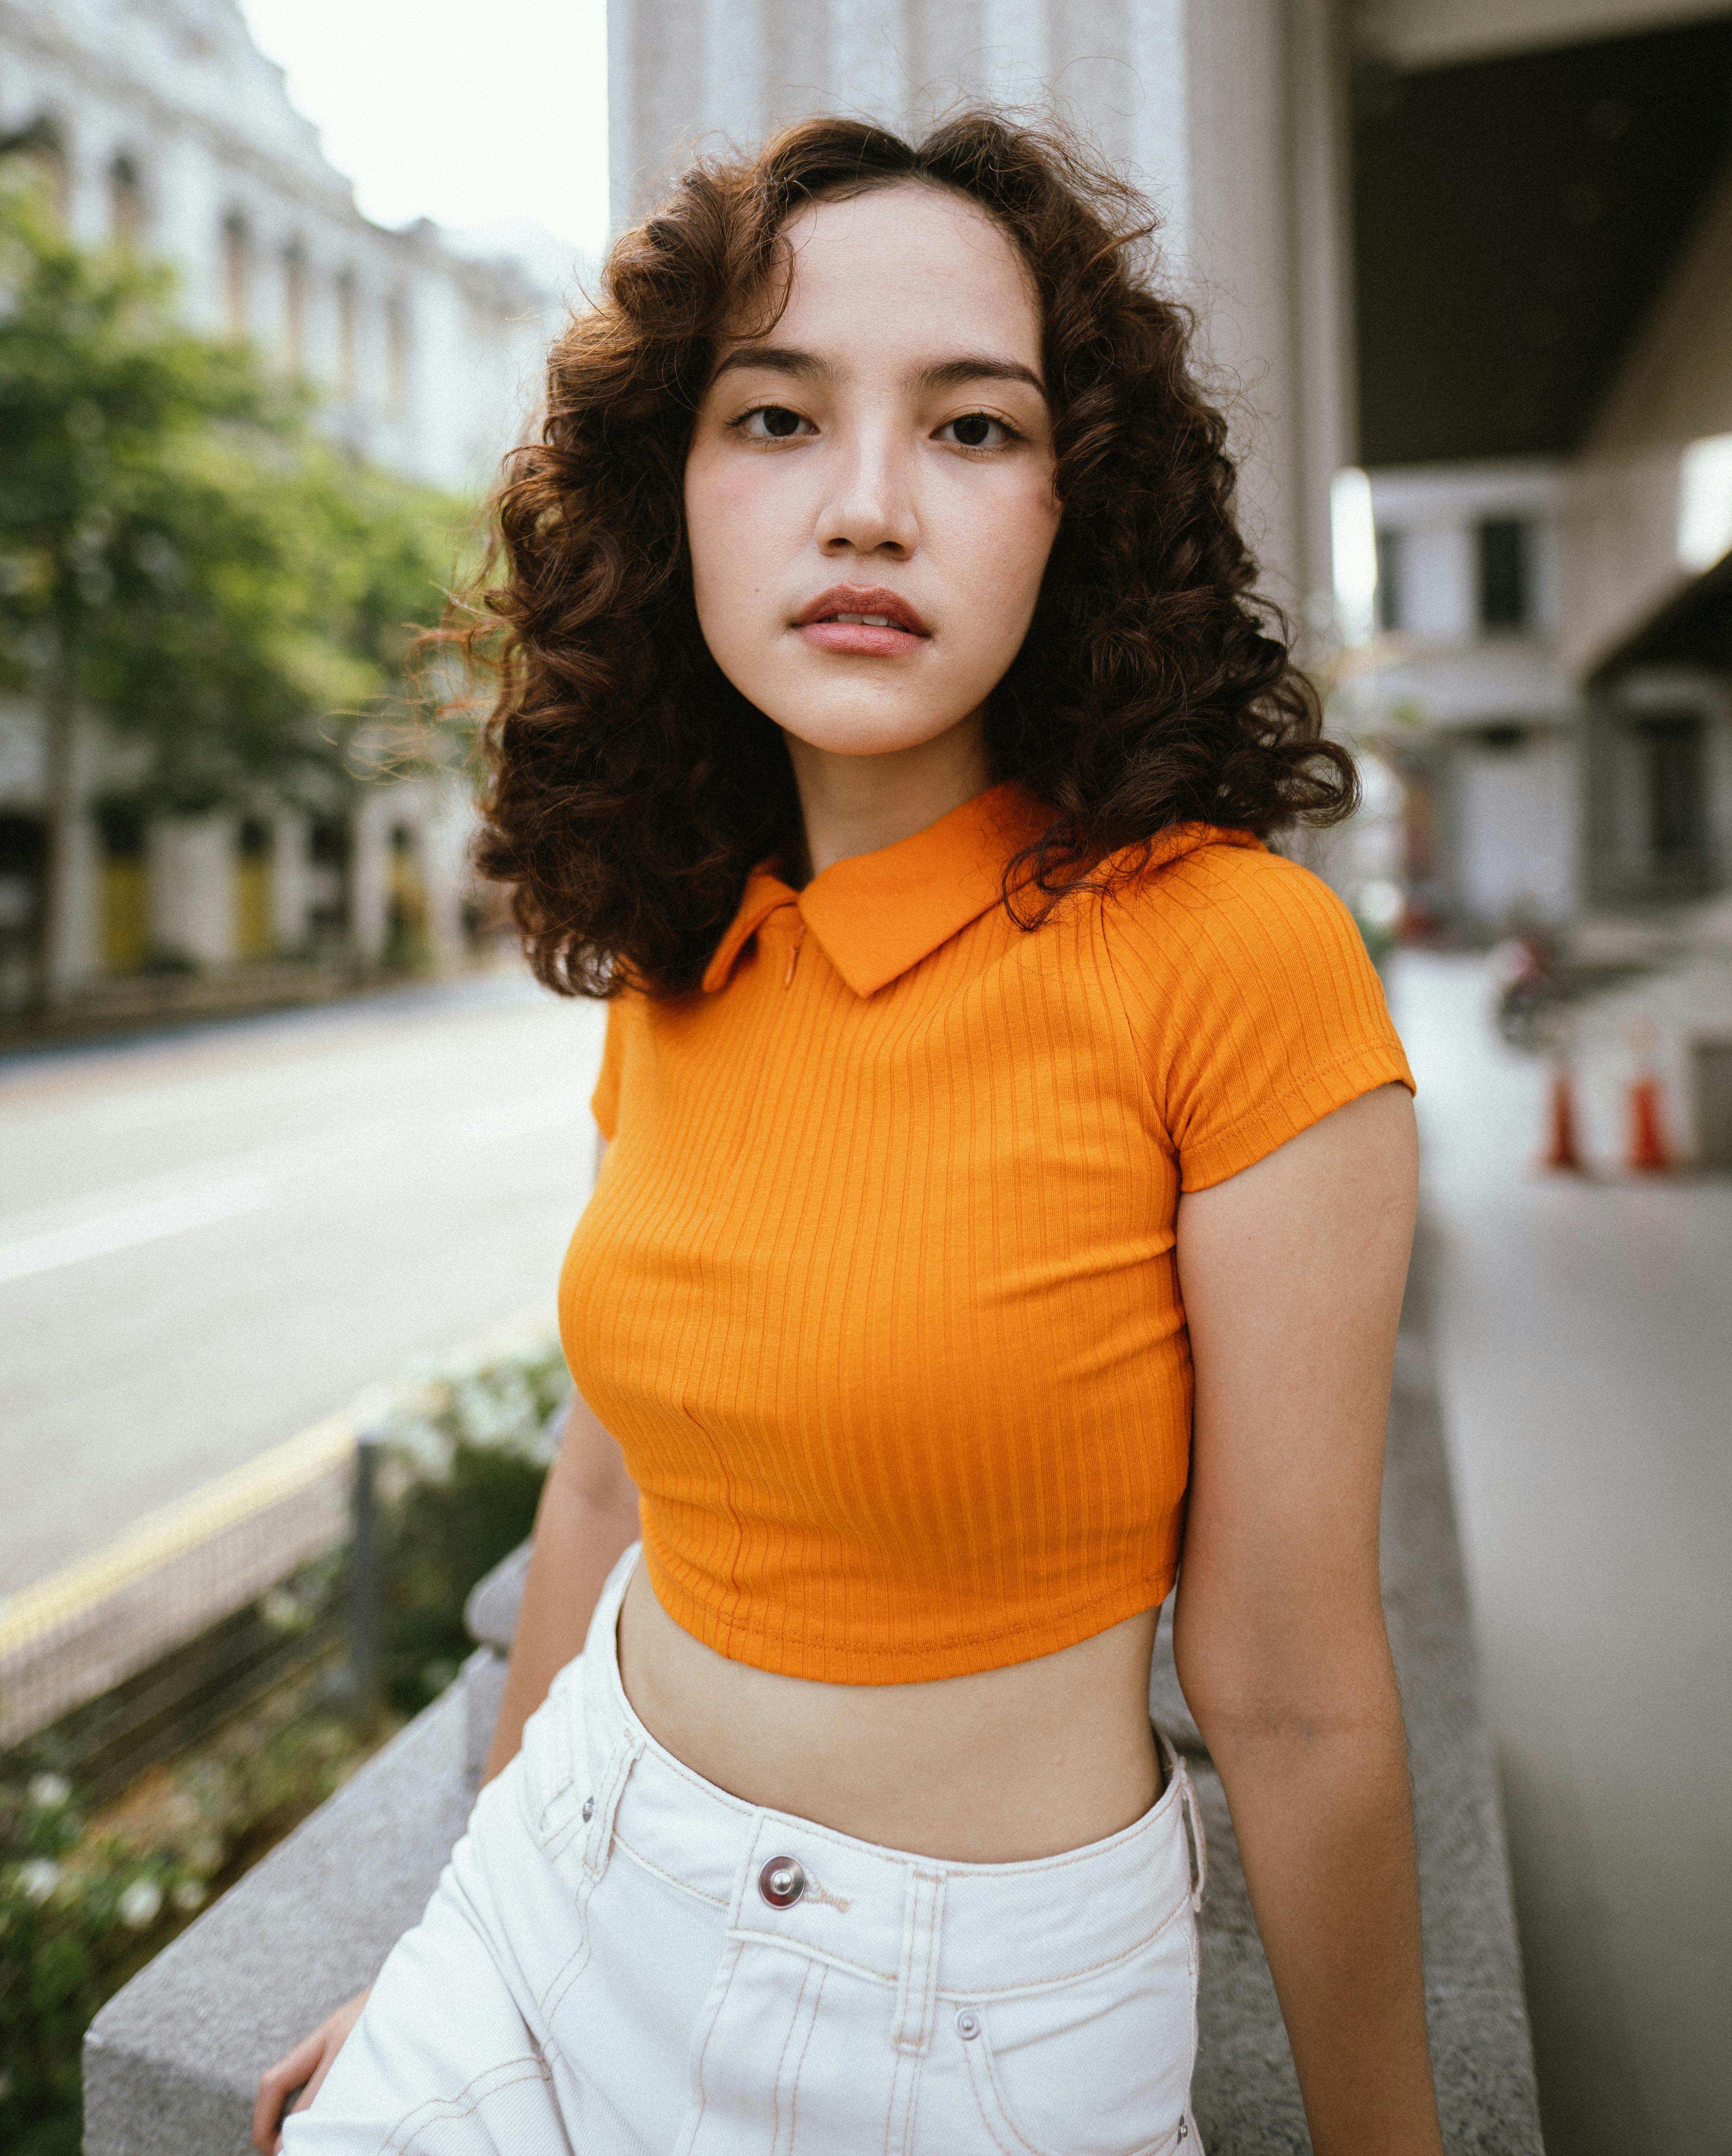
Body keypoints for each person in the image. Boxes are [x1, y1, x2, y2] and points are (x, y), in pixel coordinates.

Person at [257, 113, 1437, 2155]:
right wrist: (456, 1938)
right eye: (777, 419)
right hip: (559, 1881)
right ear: (672, 496)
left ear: (1078, 508)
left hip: (959, 2028)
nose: (870, 508)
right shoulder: (683, 950)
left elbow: (1297, 1689)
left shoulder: (1232, 960)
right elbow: (605, 1500)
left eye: (973, 431)